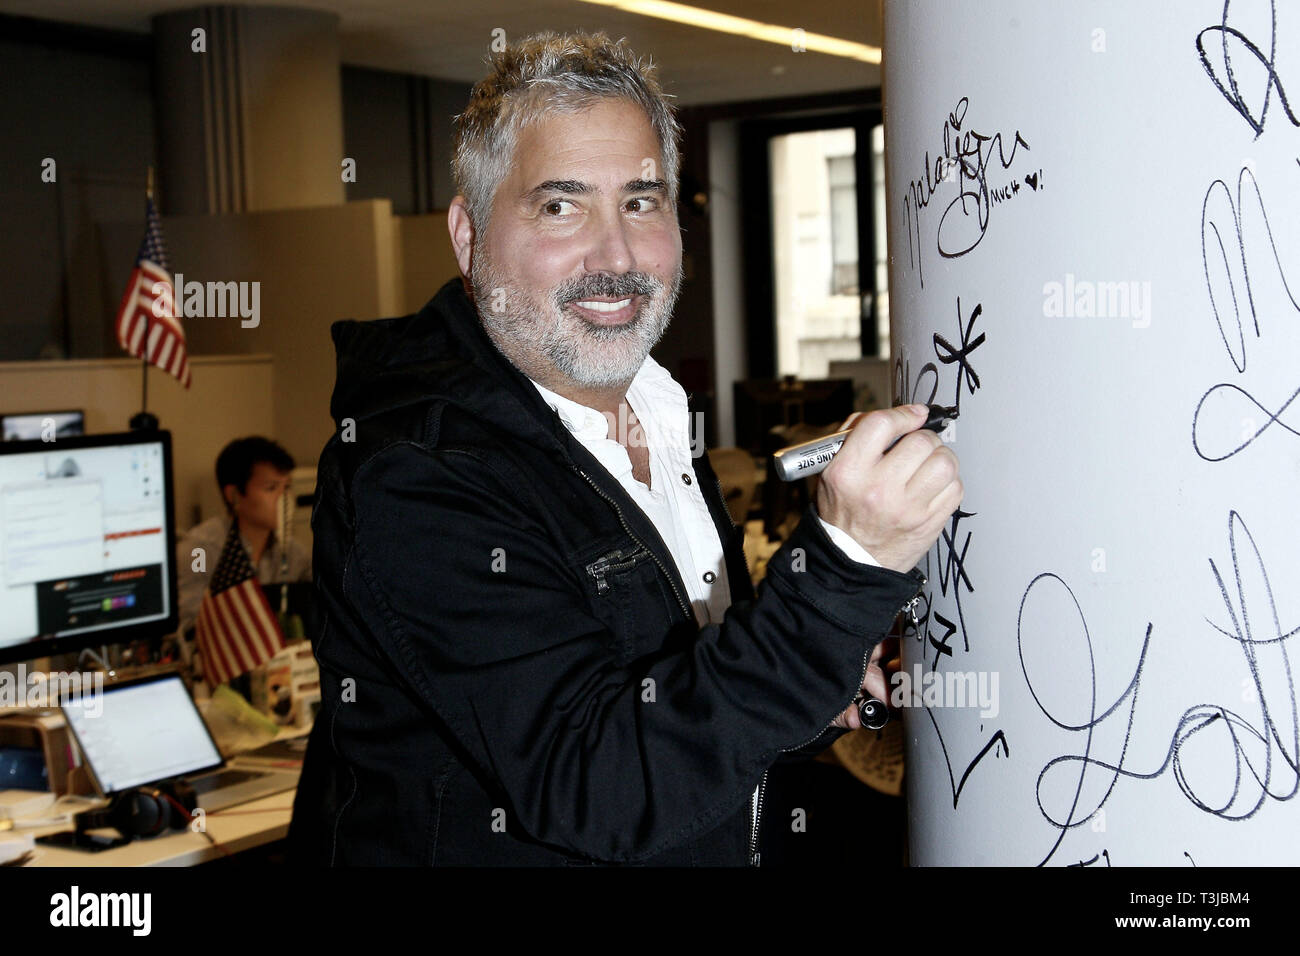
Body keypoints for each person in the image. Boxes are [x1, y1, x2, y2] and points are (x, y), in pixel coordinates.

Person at [290, 31, 962, 866]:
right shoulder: (417, 470)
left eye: (641, 201)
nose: (615, 257)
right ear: (468, 236)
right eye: (560, 205)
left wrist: (803, 686)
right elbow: (597, 783)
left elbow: (667, 706)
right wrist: (844, 566)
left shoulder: (653, 407)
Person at [175, 437, 312, 674]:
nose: (284, 499)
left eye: (286, 487)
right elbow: (191, 630)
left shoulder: (294, 553)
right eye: (271, 488)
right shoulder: (199, 550)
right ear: (234, 495)